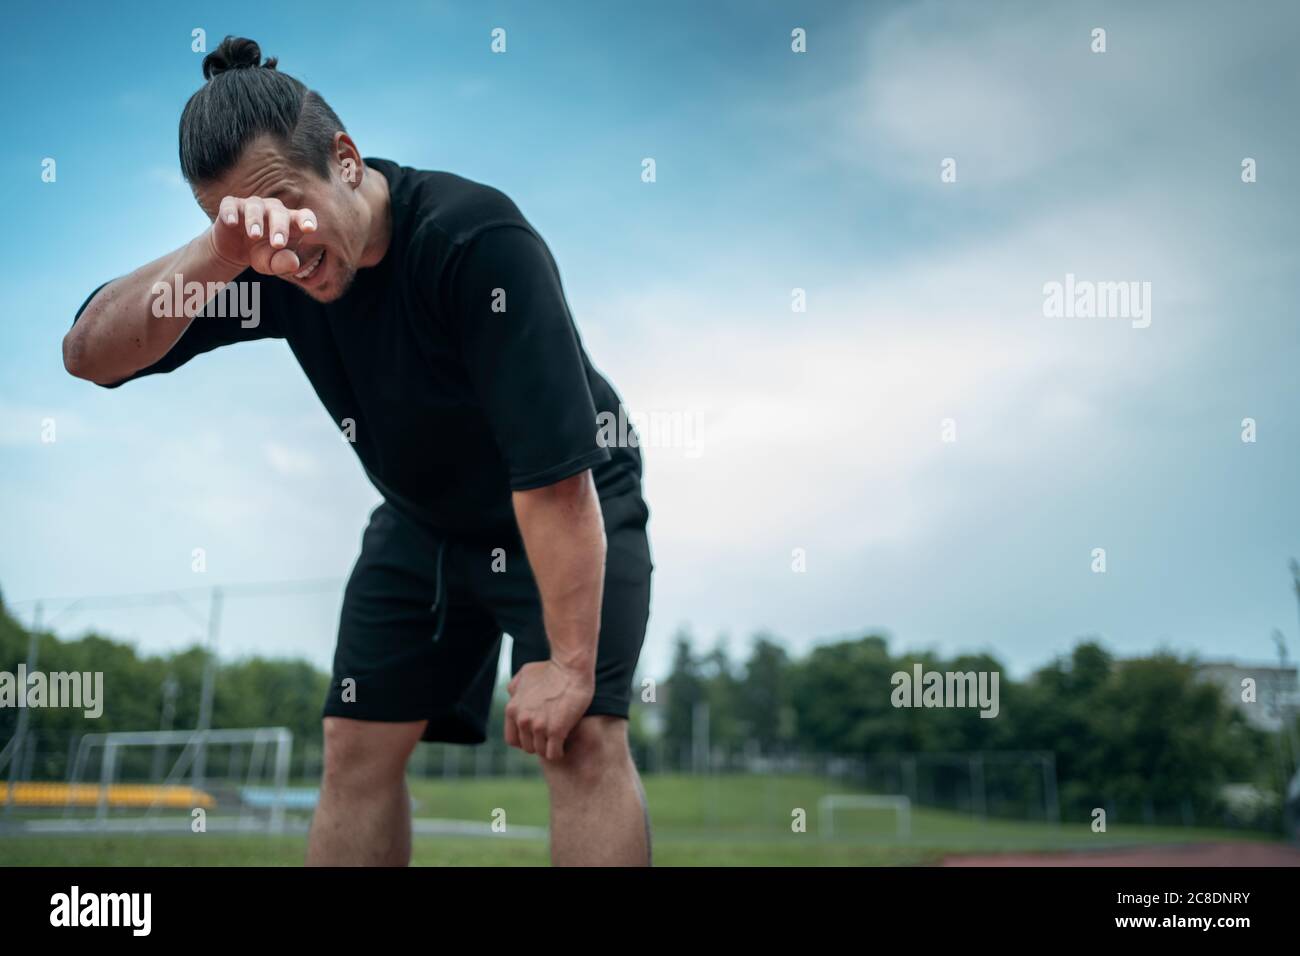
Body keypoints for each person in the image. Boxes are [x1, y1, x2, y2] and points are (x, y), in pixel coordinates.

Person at [63, 36, 653, 866]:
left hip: (565, 497)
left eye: (282, 207)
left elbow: (553, 484)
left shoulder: (473, 240)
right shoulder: (266, 264)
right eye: (236, 223)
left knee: (583, 738)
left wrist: (573, 664)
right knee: (354, 742)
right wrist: (219, 253)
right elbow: (90, 353)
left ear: (344, 159)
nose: (284, 252)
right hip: (422, 517)